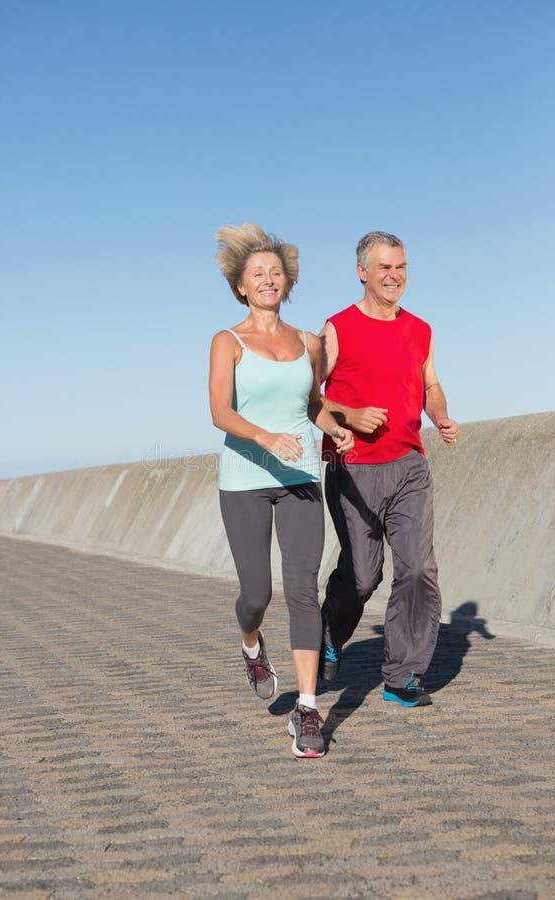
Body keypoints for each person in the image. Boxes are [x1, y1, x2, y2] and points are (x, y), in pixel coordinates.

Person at [209, 222, 354, 757]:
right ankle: (251, 644)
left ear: (286, 283)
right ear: (242, 286)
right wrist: (266, 437)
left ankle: (308, 710)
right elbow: (220, 411)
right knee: (257, 595)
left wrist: (333, 427)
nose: (268, 280)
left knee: (302, 590)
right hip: (245, 481)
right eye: (258, 274)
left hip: (298, 481)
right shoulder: (227, 341)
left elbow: (312, 402)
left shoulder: (307, 342)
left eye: (276, 273)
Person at [318, 231, 459, 707]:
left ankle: (403, 676)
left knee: (419, 569)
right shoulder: (337, 328)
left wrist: (438, 414)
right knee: (362, 577)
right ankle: (330, 634)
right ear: (362, 272)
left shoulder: (420, 329)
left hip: (408, 465)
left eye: (400, 267)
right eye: (383, 268)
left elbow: (431, 383)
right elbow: (307, 395)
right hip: (352, 467)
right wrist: (351, 416)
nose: (394, 276)